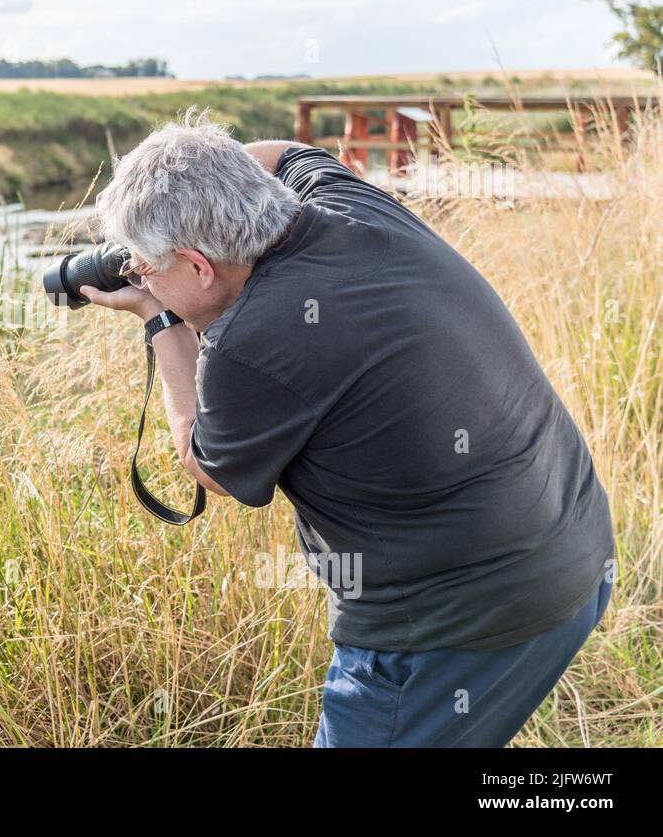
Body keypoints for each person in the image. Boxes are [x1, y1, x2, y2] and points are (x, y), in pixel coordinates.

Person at [81, 106, 617, 747]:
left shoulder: (251, 342)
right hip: (574, 547)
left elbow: (208, 467)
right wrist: (200, 183)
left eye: (144, 267)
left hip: (457, 623)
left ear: (199, 267)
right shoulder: (344, 203)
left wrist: (159, 322)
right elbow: (280, 151)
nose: (139, 276)